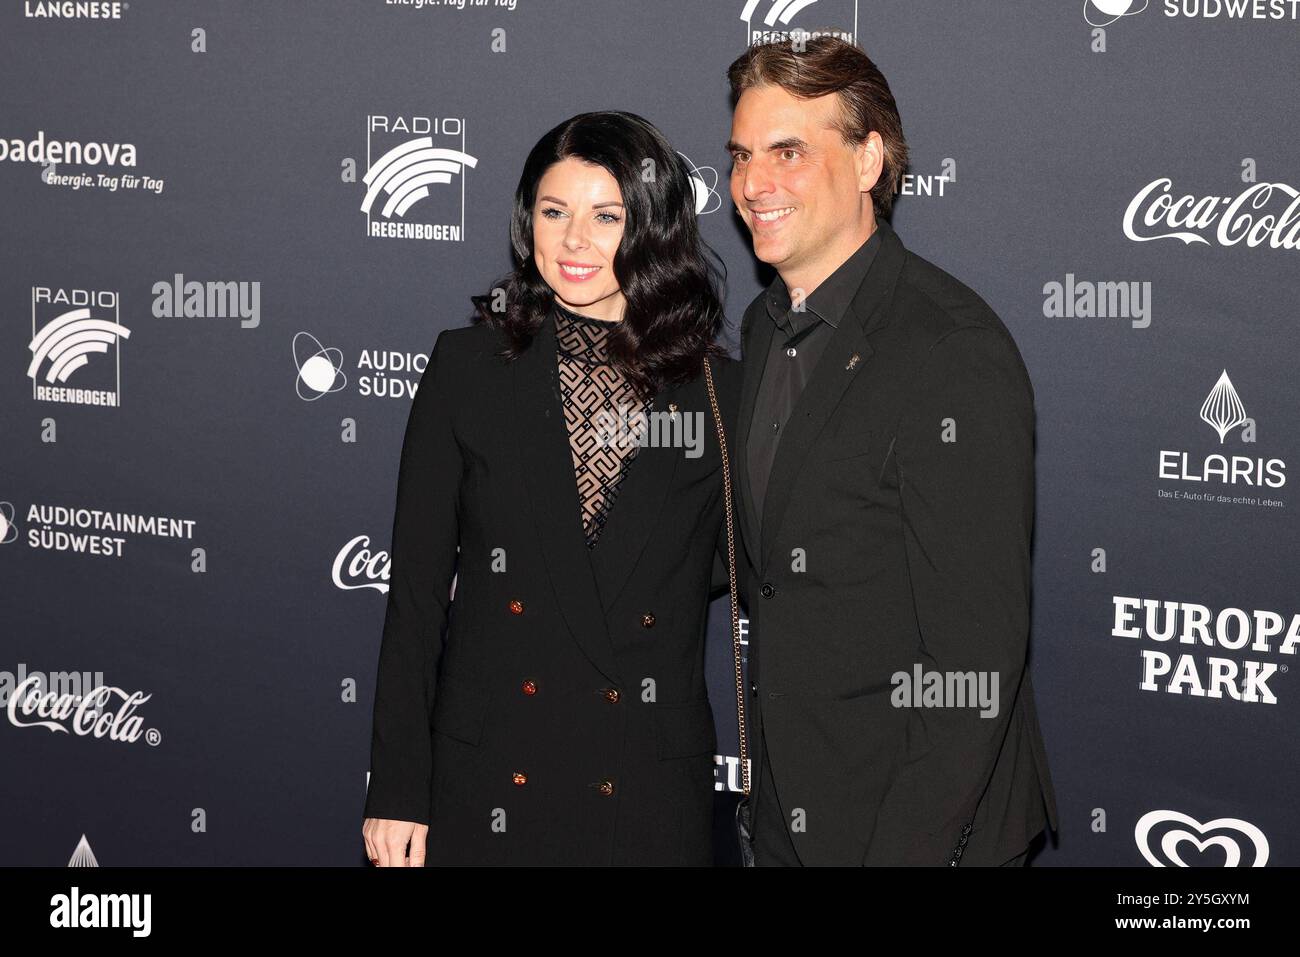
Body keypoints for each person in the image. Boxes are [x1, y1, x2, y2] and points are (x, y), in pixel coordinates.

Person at [361, 111, 740, 866]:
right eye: (553, 211)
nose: (574, 242)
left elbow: (736, 572)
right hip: (489, 774)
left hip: (644, 788)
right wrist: (399, 784)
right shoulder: (468, 369)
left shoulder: (720, 393)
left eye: (607, 217)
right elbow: (415, 596)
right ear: (525, 218)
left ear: (654, 229)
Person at [724, 35, 1058, 866]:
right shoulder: (764, 328)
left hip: (921, 828)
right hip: (794, 813)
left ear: (869, 160)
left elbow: (975, 664)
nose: (752, 185)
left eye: (789, 152)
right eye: (740, 156)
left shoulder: (950, 350)